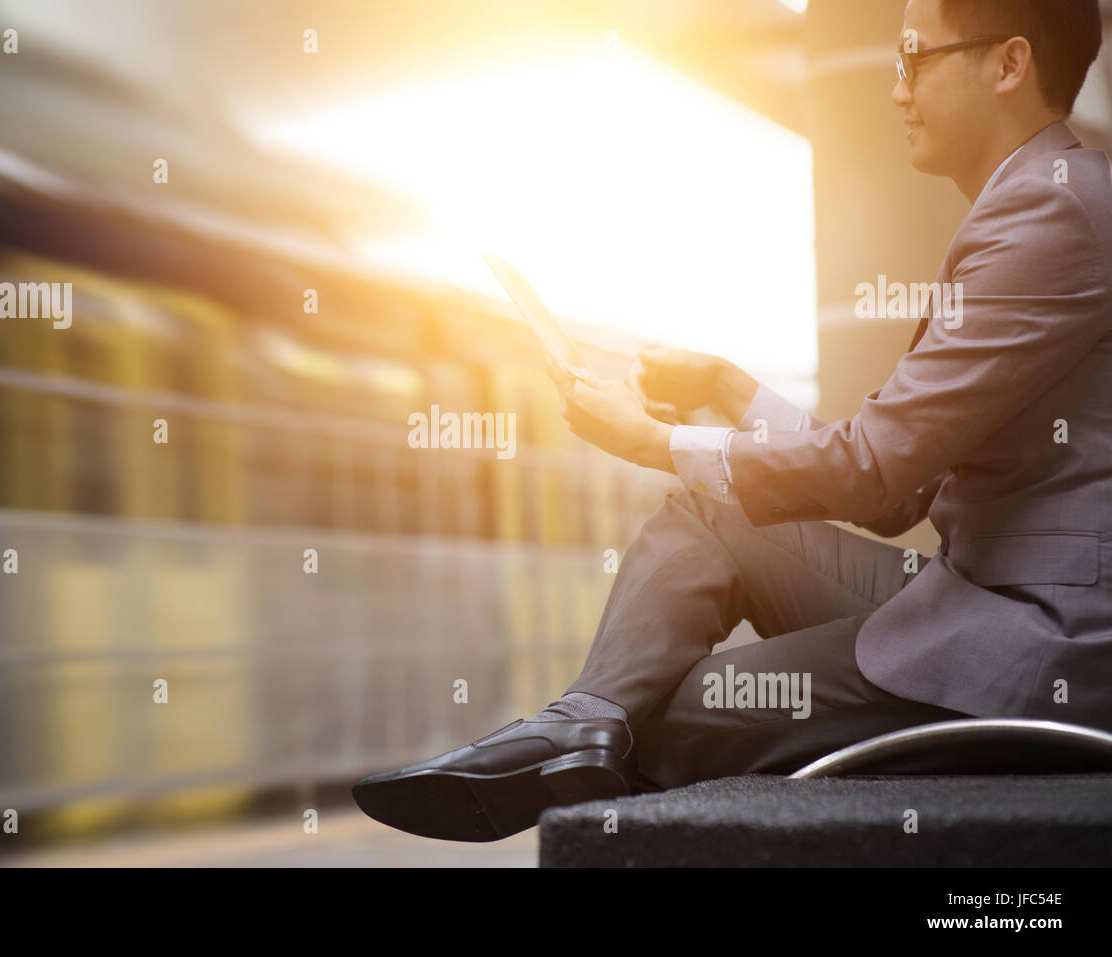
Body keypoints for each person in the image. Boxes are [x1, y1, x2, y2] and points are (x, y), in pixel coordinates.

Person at [353, 0, 1112, 842]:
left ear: (1007, 65)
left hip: (1031, 642)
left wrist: (653, 441)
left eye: (912, 57)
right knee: (708, 522)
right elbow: (903, 488)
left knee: (679, 716)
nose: (895, 90)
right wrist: (733, 388)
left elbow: (874, 469)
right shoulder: (1042, 203)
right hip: (973, 595)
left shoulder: (1047, 215)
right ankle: (582, 720)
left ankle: (590, 738)